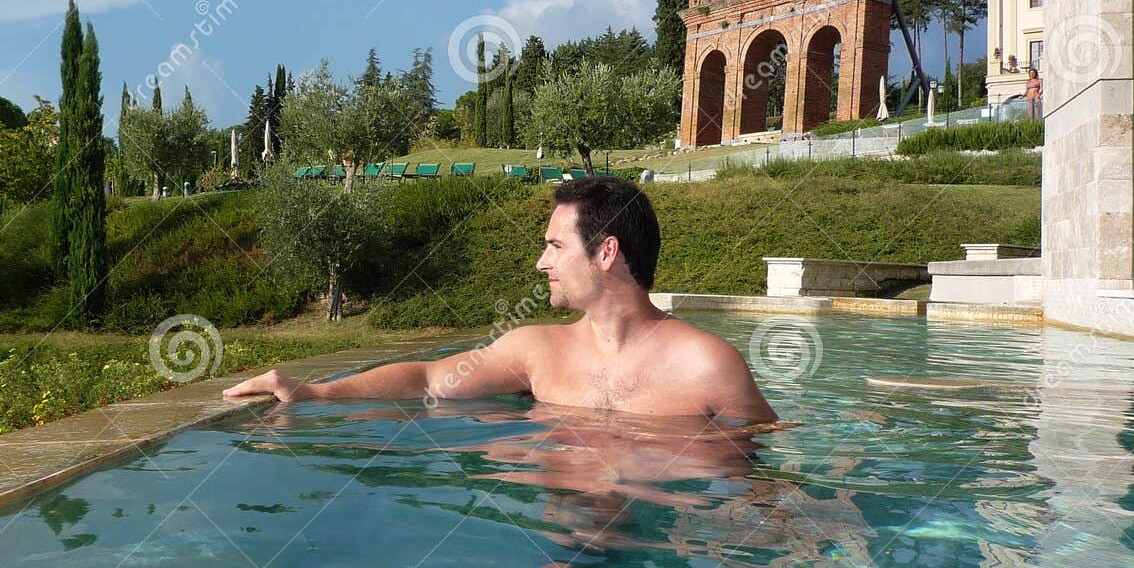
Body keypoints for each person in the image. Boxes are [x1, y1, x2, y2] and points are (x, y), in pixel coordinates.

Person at [224, 176, 778, 420]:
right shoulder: (535, 351)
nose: (542, 263)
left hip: (661, 534)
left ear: (605, 253)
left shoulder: (706, 363)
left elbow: (765, 475)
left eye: (555, 246)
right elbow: (425, 381)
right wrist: (317, 394)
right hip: (562, 535)